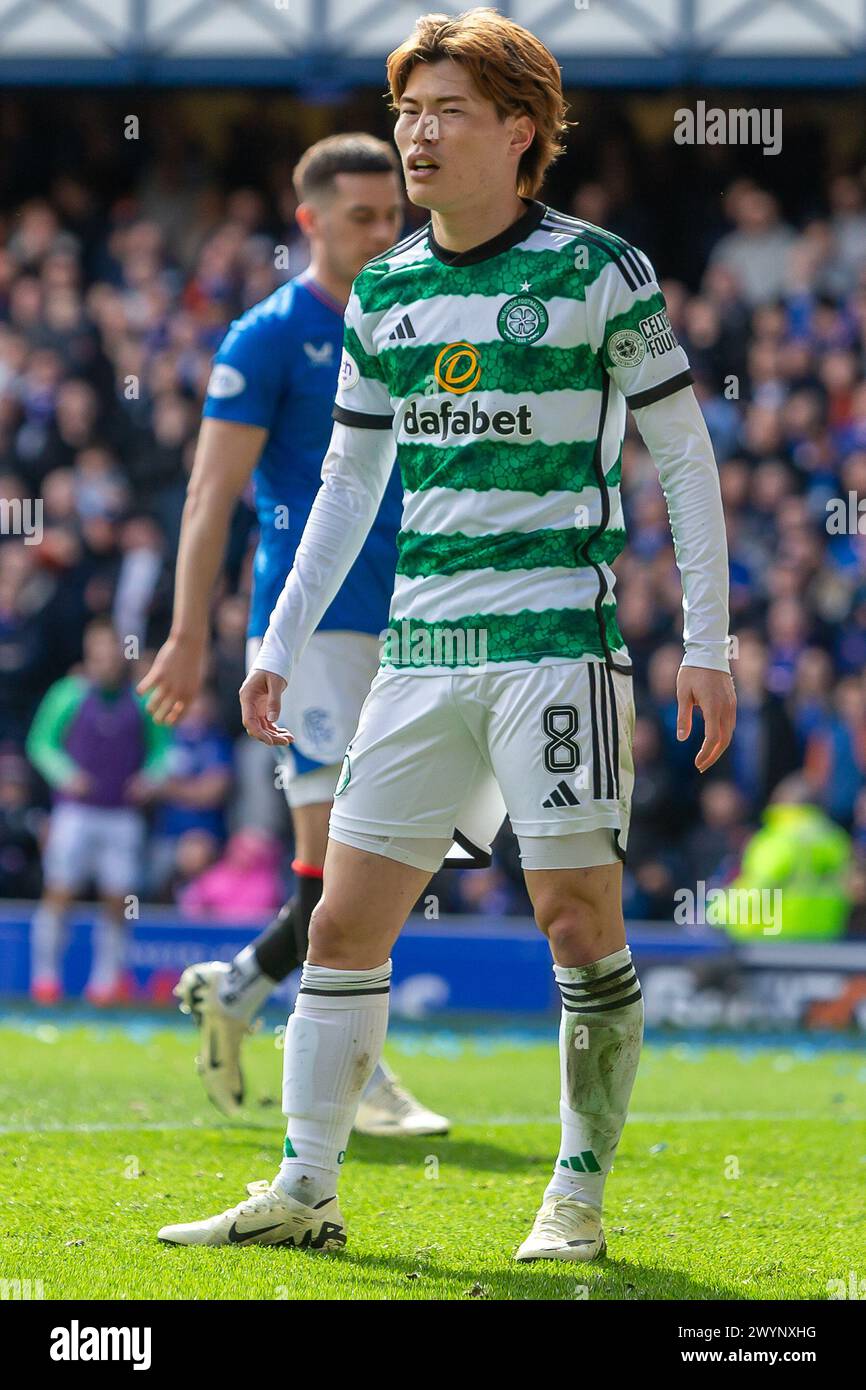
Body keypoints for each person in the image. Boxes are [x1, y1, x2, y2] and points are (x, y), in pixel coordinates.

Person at [158, 7, 736, 1262]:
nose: (414, 134)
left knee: (577, 920)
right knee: (338, 925)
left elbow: (681, 457)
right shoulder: (386, 288)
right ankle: (304, 1188)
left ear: (516, 131)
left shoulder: (597, 272)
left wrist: (710, 640)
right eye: (406, 111)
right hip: (418, 653)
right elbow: (348, 489)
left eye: (444, 111)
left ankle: (573, 1195)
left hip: (553, 647)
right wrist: (275, 638)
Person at [139, 132, 462, 1135]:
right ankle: (350, 1075)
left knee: (402, 857)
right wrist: (189, 631)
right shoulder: (269, 337)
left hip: (417, 619)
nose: (384, 231)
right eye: (361, 216)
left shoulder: (417, 321)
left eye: (392, 215)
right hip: (314, 627)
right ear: (308, 220)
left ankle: (237, 988)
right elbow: (209, 495)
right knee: (338, 860)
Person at [26, 616, 170, 1003]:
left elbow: (162, 748)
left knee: (118, 899)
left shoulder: (140, 699)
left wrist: (149, 778)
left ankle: (106, 983)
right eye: (98, 652)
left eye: (111, 652)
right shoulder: (68, 694)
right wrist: (65, 775)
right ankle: (46, 979)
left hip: (121, 814)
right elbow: (41, 741)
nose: (105, 659)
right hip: (75, 812)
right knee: (59, 891)